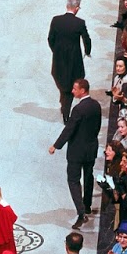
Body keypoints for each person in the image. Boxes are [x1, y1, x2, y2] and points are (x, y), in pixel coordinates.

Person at [51, 79, 103, 226]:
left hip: (77, 152)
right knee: (88, 177)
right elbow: (97, 127)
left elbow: (69, 129)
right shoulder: (96, 105)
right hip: (91, 148)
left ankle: (81, 213)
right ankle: (87, 206)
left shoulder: (78, 109)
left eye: (75, 89)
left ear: (83, 90)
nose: (72, 91)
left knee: (73, 180)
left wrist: (56, 145)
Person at [48, 0, 92, 120]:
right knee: (72, 84)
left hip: (59, 60)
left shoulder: (56, 20)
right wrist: (87, 52)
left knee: (63, 84)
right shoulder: (79, 22)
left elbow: (50, 39)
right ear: (76, 8)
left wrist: (56, 51)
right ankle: (66, 110)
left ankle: (64, 105)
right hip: (74, 61)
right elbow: (86, 39)